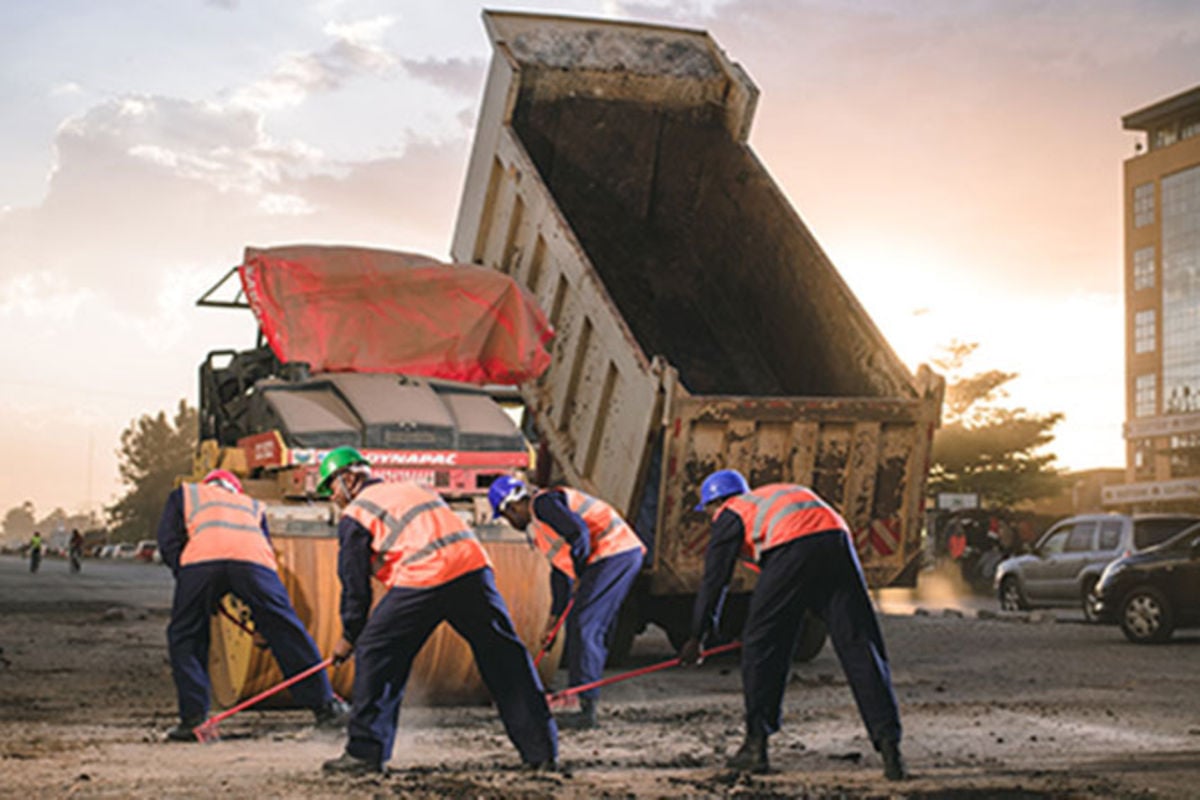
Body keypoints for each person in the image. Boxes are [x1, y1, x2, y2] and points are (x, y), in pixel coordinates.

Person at [317, 446, 558, 776]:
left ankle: (364, 753)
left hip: (424, 575)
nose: (332, 497)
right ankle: (541, 751)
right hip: (473, 570)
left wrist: (350, 636)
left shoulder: (357, 513)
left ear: (348, 478)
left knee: (377, 651)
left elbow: (353, 584)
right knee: (504, 656)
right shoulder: (415, 489)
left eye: (330, 487)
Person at [677, 469, 908, 780]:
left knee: (762, 644)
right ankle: (890, 749)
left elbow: (714, 580)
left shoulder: (732, 511)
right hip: (837, 540)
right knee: (859, 643)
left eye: (708, 512)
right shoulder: (773, 496)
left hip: (791, 545)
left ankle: (756, 746)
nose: (710, 518)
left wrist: (697, 635)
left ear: (715, 503)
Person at [155, 469, 348, 742]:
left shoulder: (187, 493)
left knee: (186, 636)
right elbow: (263, 548)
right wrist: (262, 623)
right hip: (255, 565)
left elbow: (169, 541)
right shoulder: (252, 505)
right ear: (235, 489)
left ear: (208, 484)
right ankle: (326, 709)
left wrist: (189, 581)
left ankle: (194, 720)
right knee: (287, 631)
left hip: (200, 564)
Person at [489, 475, 645, 729]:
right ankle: (582, 696)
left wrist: (581, 572)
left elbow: (579, 532)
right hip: (612, 556)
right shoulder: (541, 530)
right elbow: (560, 576)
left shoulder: (544, 504)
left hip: (614, 551)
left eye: (507, 516)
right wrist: (552, 621)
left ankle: (583, 705)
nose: (509, 522)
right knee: (582, 624)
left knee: (585, 625)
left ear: (513, 504)